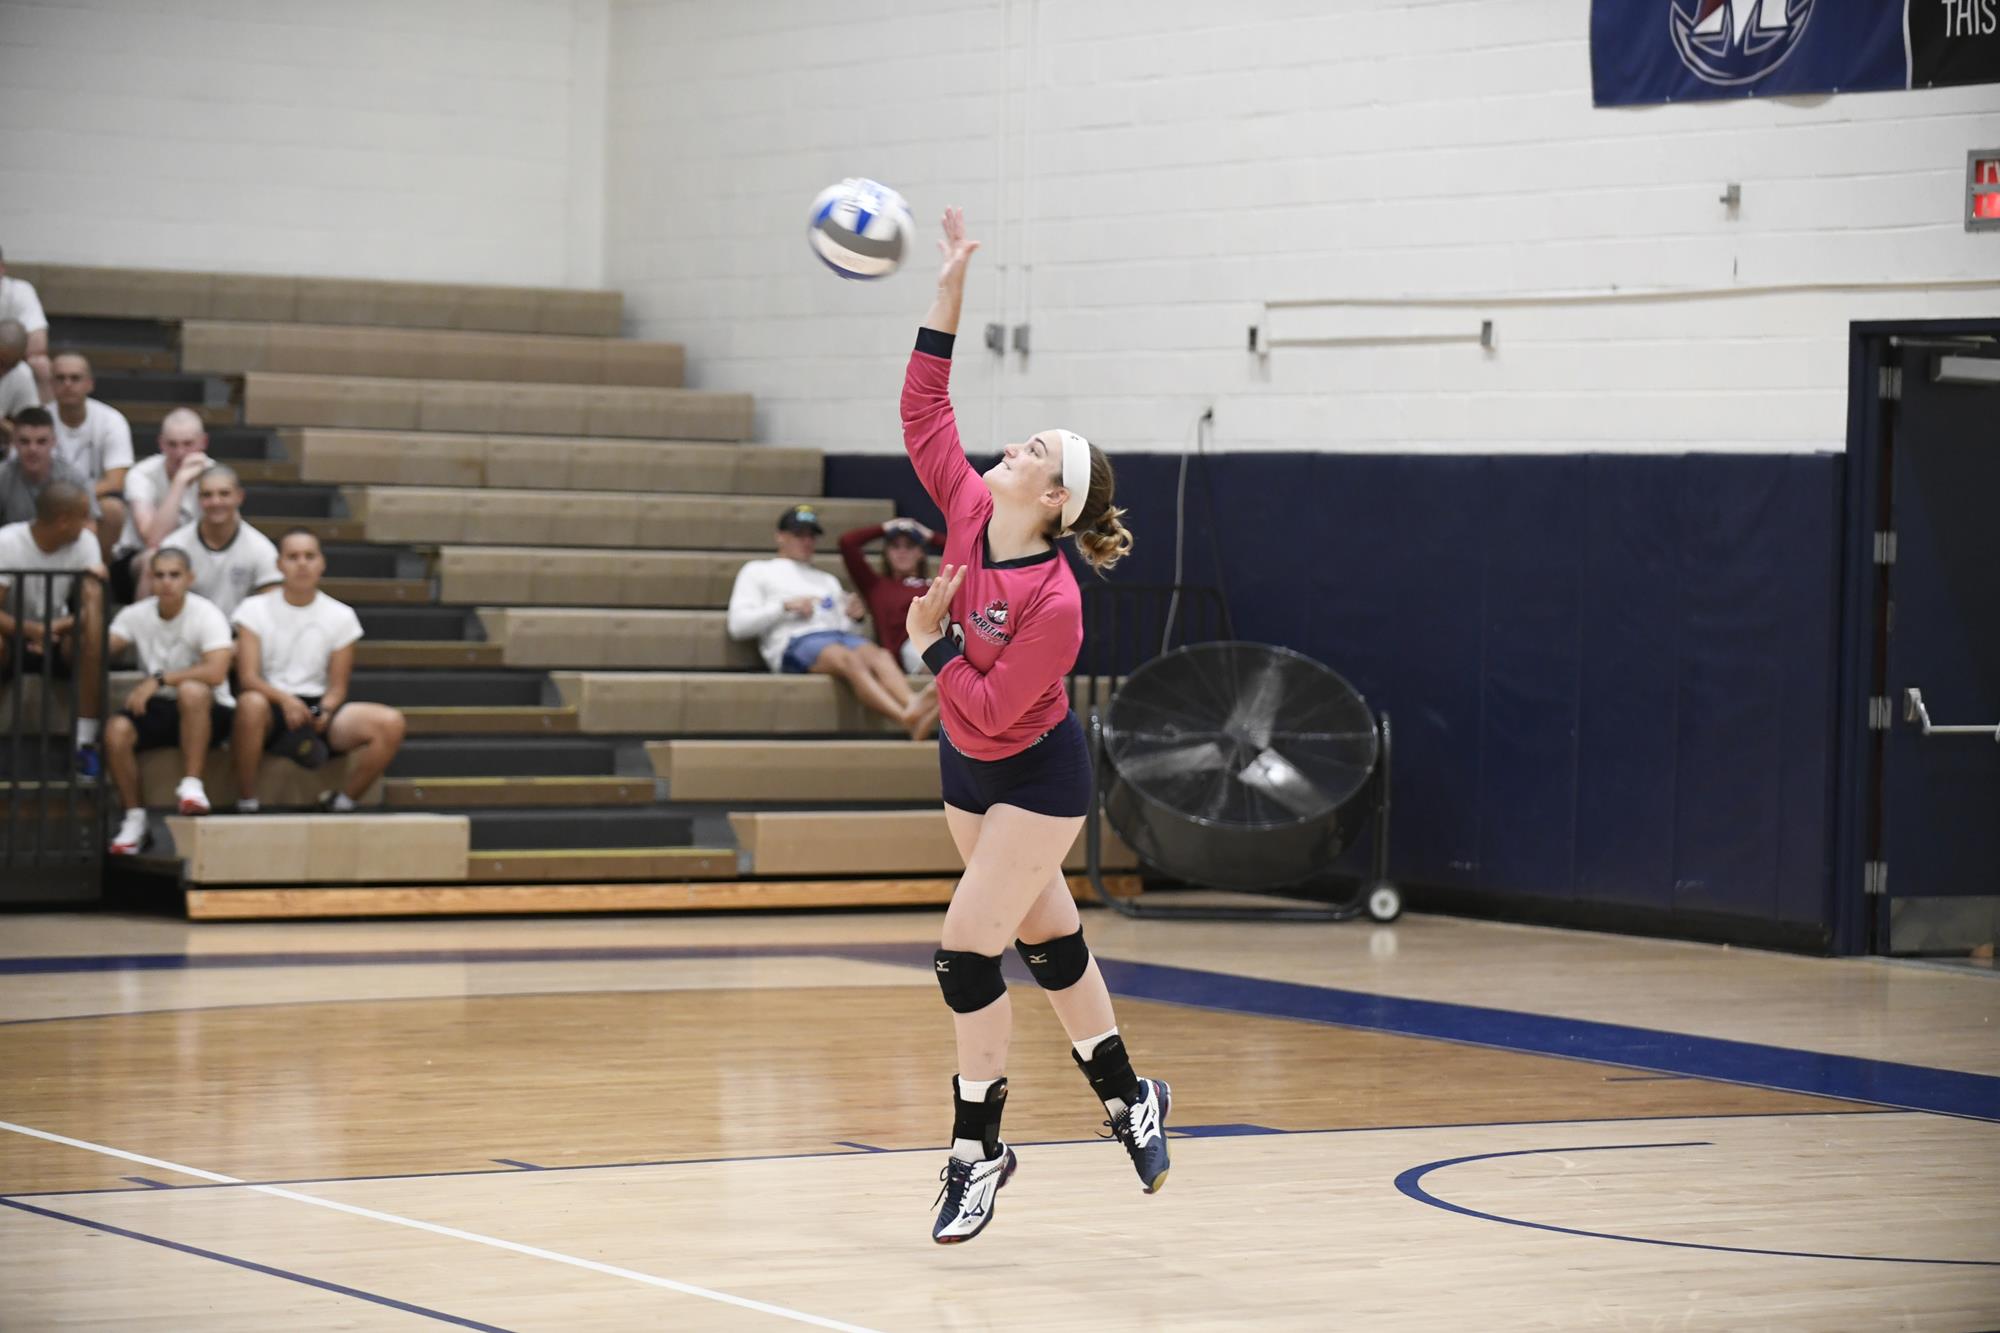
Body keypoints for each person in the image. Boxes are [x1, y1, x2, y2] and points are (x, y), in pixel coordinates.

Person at [901, 209, 1157, 1245]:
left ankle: (978, 1151)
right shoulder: (965, 505)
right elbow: (925, 400)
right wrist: (952, 282)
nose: (1014, 445)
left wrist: (927, 648)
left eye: (1035, 450)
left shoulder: (1056, 601)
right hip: (969, 769)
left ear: (1054, 497)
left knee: (967, 956)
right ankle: (1130, 1094)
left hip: (1035, 775)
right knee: (1048, 943)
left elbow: (992, 706)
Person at [231, 528, 405, 812]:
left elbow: (337, 687)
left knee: (390, 722)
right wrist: (285, 700)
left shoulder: (341, 615)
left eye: (309, 556)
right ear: (279, 565)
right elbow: (248, 678)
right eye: (293, 556)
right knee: (250, 704)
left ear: (322, 563)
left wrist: (325, 709)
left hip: (315, 707)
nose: (302, 564)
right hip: (271, 705)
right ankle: (247, 800)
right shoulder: (253, 609)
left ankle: (344, 802)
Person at [726, 504, 929, 734]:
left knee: (879, 655)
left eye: (811, 536)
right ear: (780, 537)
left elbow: (847, 631)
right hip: (794, 640)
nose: (807, 541)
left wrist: (856, 619)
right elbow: (738, 626)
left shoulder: (827, 580)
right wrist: (784, 607)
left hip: (837, 638)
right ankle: (905, 719)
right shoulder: (757, 571)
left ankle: (914, 705)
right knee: (849, 659)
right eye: (799, 535)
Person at [103, 548, 236, 852]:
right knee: (116, 730)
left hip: (212, 708)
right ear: (149, 579)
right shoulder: (135, 614)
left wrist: (160, 679)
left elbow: (216, 672)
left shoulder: (207, 613)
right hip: (162, 705)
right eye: (159, 575)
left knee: (192, 690)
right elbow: (103, 648)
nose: (166, 582)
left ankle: (191, 786)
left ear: (190, 578)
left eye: (174, 575)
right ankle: (134, 819)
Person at [0, 482, 107, 770]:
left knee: (93, 624)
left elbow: (91, 609)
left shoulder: (85, 542)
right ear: (62, 521)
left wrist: (56, 627)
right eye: (83, 517)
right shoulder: (6, 542)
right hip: (11, 636)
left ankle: (85, 742)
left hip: (60, 636)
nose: (89, 524)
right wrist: (33, 631)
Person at [840, 517, 947, 737]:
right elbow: (847, 543)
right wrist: (883, 528)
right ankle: (943, 692)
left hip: (946, 636)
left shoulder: (935, 583)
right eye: (895, 546)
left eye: (910, 547)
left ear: (920, 552)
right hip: (911, 645)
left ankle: (940, 696)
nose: (902, 552)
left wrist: (929, 534)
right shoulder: (877, 585)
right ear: (886, 553)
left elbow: (970, 552)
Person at [111, 407, 208, 603]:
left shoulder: (214, 475)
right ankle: (141, 630)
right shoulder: (141, 474)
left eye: (188, 444)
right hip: (136, 560)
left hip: (195, 556)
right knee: (155, 559)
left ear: (203, 442)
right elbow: (153, 539)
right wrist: (179, 482)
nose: (180, 453)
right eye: (172, 444)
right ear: (161, 443)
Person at [159, 464, 279, 616]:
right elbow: (162, 606)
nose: (216, 502)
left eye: (224, 494)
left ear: (239, 497)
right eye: (207, 495)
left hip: (240, 635)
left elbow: (271, 609)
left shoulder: (261, 549)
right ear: (198, 499)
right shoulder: (175, 545)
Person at [48, 352, 135, 555]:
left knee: (112, 510)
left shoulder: (112, 420)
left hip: (92, 500)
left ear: (89, 384)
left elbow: (116, 481)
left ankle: (97, 574)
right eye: (60, 378)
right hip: (46, 500)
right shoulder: (40, 418)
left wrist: (74, 500)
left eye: (75, 378)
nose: (67, 384)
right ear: (51, 384)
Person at [0, 408, 99, 527]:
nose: (33, 449)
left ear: (53, 442)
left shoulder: (72, 478)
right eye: (25, 441)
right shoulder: (3, 476)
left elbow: (90, 525)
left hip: (62, 543)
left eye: (41, 442)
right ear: (14, 442)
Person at [0, 248, 52, 405]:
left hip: (10, 362)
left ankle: (41, 422)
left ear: (1, 268)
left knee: (40, 364)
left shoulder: (20, 291)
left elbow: (37, 346)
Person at [0, 320, 42, 423]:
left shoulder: (22, 373)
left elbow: (31, 426)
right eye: (0, 362)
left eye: (10, 365)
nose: (2, 371)